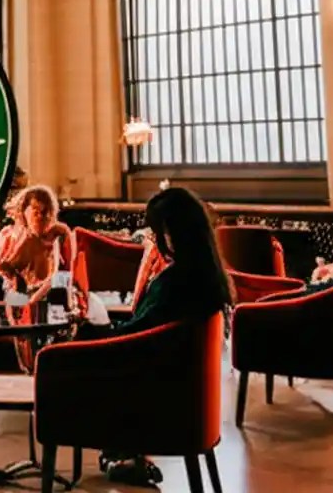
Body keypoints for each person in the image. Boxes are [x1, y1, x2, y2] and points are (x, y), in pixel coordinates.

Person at [72, 187, 235, 486]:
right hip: (184, 394)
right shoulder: (206, 278)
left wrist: (92, 333)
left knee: (68, 360)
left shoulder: (175, 282)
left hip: (153, 395)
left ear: (171, 233)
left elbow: (139, 335)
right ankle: (124, 456)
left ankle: (118, 451)